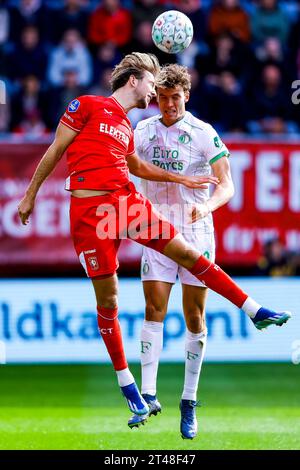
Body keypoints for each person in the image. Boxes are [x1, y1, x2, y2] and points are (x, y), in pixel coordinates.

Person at [18, 52, 291, 432]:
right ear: (134, 80)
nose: (155, 93)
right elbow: (54, 150)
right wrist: (30, 194)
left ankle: (253, 309)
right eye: (152, 84)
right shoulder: (87, 106)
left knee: (187, 252)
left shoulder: (131, 127)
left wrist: (183, 181)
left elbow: (138, 168)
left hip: (125, 203)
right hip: (89, 215)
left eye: (167, 90)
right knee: (109, 300)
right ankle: (130, 386)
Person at [132, 63, 233, 438]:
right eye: (162, 98)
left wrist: (207, 206)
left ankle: (188, 401)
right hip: (157, 230)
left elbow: (226, 185)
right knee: (154, 308)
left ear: (186, 96)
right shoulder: (143, 130)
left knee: (194, 317)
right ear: (156, 98)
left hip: (196, 232)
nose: (169, 104)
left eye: (175, 98)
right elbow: (130, 166)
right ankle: (148, 393)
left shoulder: (204, 133)